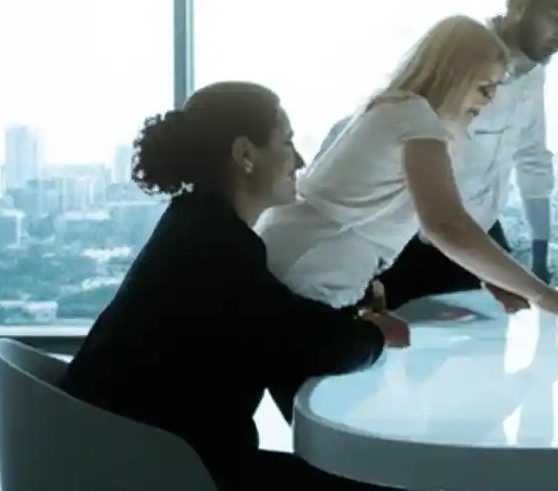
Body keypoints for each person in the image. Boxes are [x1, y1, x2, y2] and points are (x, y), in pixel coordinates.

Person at [60, 82, 397, 491]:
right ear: (244, 154)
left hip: (121, 456)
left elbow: (278, 320)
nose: (300, 160)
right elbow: (305, 342)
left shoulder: (195, 226)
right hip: (166, 470)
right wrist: (377, 335)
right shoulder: (215, 244)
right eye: (287, 142)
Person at [258, 15, 558, 339]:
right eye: (485, 86)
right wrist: (550, 298)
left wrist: (489, 272)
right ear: (452, 76)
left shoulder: (390, 109)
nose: (490, 99)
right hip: (306, 279)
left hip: (292, 268)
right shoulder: (416, 121)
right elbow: (446, 225)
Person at [316, 0, 558, 312]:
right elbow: (374, 126)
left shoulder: (534, 73)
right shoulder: (460, 63)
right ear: (518, 3)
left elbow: (533, 157)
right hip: (420, 241)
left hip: (477, 236)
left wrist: (536, 256)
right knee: (400, 338)